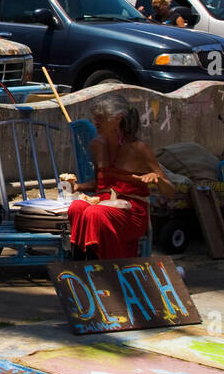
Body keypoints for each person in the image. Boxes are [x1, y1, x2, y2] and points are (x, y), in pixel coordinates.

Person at [68, 96, 177, 259]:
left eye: (101, 118)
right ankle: (79, 261)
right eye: (95, 118)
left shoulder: (139, 148)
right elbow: (101, 184)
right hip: (102, 203)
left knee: (95, 213)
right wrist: (79, 187)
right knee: (76, 207)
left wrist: (157, 178)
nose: (96, 122)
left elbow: (170, 191)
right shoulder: (97, 145)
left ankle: (105, 265)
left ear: (117, 119)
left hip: (131, 210)